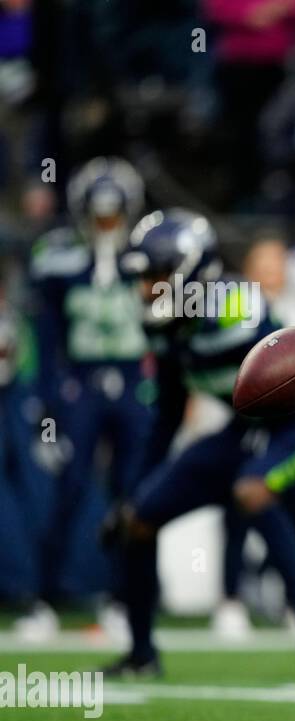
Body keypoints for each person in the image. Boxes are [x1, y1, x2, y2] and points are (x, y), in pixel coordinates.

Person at [104, 208, 295, 679]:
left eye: (155, 275)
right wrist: (135, 489)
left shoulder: (235, 304)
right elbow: (168, 413)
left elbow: (293, 379)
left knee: (253, 492)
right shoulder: (163, 323)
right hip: (245, 430)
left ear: (188, 271)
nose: (146, 288)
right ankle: (141, 654)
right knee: (137, 519)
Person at [18, 158, 150, 641]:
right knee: (67, 492)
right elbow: (47, 340)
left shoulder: (148, 256)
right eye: (99, 214)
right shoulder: (59, 259)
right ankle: (41, 599)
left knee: (133, 494)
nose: (107, 224)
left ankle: (124, 598)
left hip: (137, 384)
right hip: (81, 387)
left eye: (114, 214)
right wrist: (47, 403)